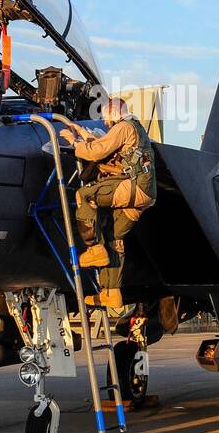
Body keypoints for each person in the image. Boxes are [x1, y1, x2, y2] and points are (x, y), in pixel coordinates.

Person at [59, 97, 156, 310]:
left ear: (113, 113)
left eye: (105, 118)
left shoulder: (123, 127)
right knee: (115, 238)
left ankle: (94, 248)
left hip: (133, 188)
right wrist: (81, 131)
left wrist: (74, 142)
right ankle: (111, 294)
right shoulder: (135, 128)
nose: (104, 123)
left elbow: (96, 151)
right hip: (144, 194)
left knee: (85, 196)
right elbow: (104, 142)